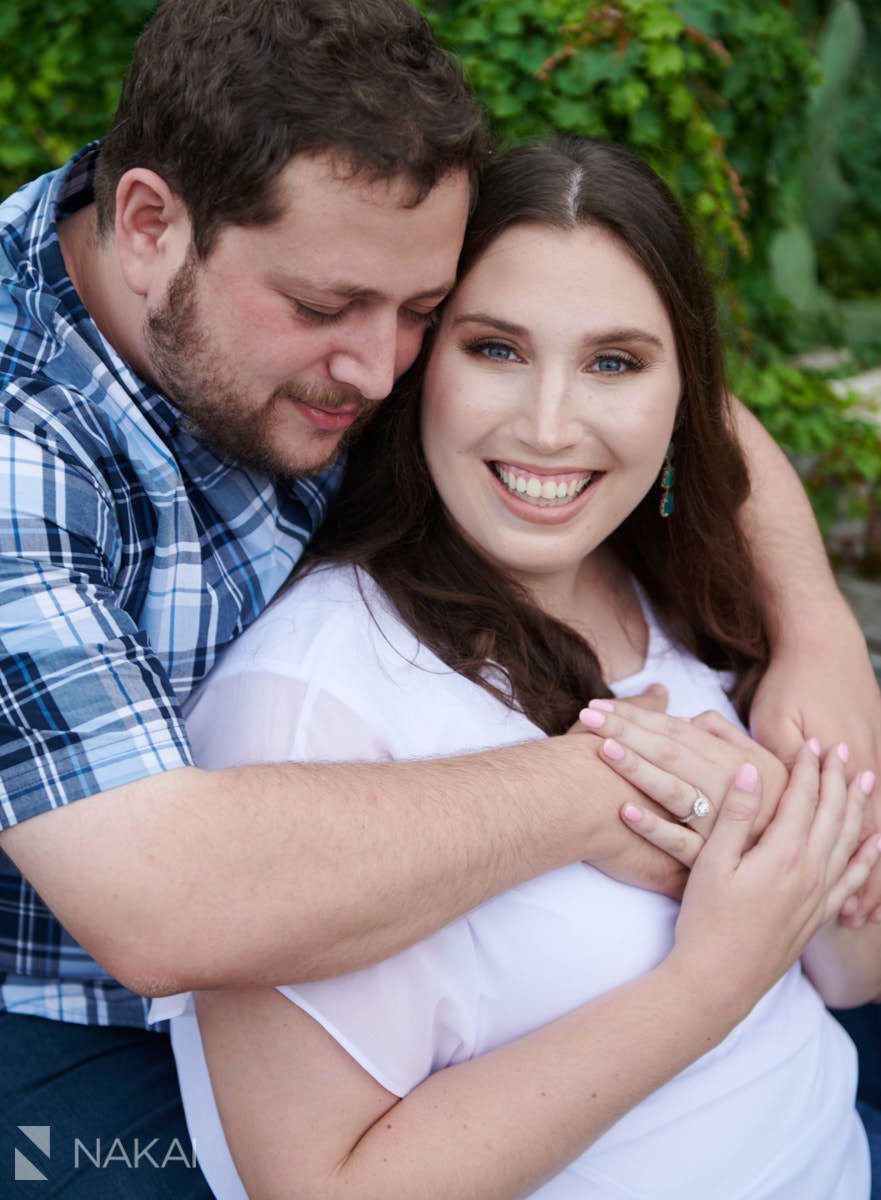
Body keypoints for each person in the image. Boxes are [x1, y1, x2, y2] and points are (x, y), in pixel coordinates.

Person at [0, 0, 879, 1193]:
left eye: (421, 316)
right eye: (323, 311)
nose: (377, 374)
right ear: (150, 224)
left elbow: (636, 364)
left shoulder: (341, 244)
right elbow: (166, 906)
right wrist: (623, 780)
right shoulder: (21, 453)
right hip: (65, 1015)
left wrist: (813, 624)